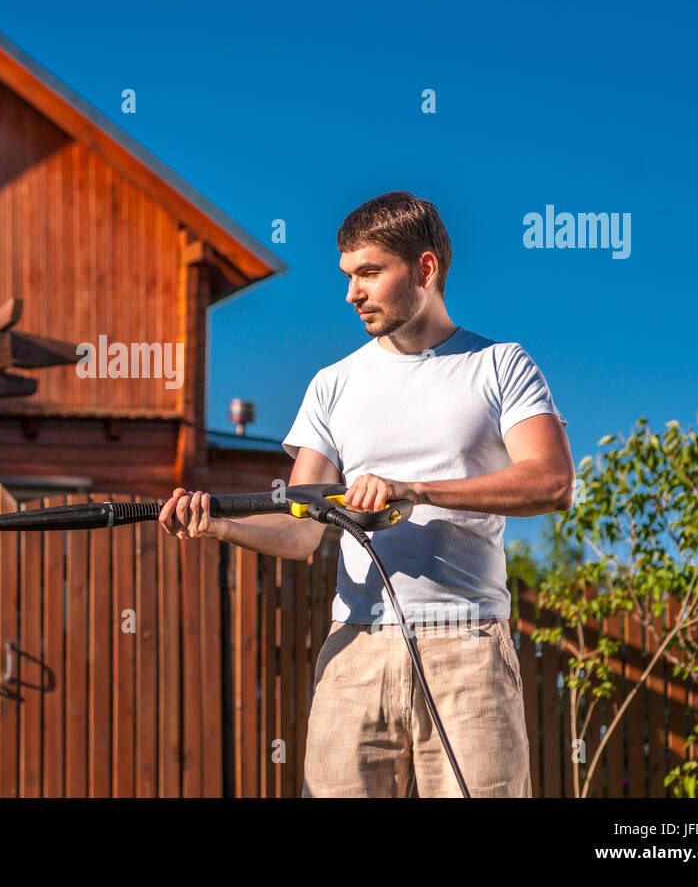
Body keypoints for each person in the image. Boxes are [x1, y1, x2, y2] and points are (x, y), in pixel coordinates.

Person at [158, 190, 573, 797]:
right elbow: (301, 529)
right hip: (353, 649)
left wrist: (413, 490)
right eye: (349, 275)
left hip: (468, 646)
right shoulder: (332, 385)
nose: (352, 293)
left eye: (370, 273)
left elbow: (552, 482)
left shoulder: (498, 365)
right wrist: (217, 525)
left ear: (425, 270)